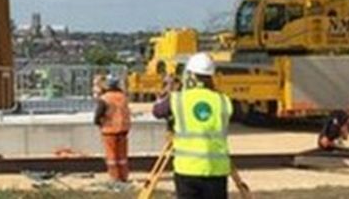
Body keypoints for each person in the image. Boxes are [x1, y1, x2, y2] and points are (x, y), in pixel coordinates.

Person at [152, 52, 243, 198]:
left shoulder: (178, 99)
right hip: (216, 170)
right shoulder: (223, 100)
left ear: (190, 75)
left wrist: (166, 93)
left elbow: (157, 111)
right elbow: (236, 114)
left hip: (187, 169)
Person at [93, 74, 131, 187]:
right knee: (122, 157)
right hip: (123, 130)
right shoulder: (123, 96)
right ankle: (124, 176)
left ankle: (114, 179)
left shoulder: (105, 98)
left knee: (112, 157)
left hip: (109, 130)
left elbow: (99, 114)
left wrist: (98, 122)